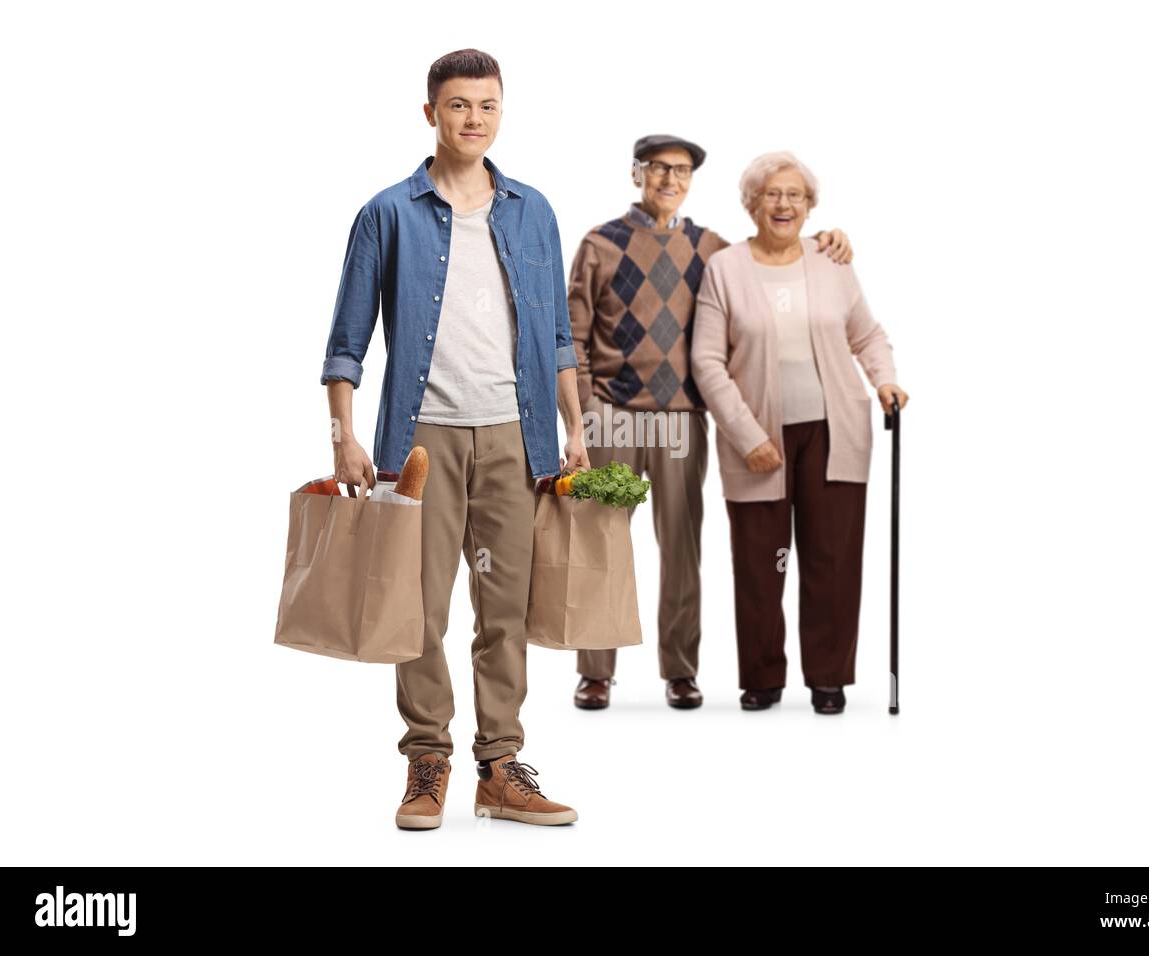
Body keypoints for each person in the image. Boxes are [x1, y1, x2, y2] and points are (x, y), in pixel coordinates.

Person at [321, 49, 587, 828]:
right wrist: (343, 433)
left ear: (501, 112)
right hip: (421, 438)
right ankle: (427, 760)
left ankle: (500, 768)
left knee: (505, 608)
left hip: (516, 432)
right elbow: (346, 339)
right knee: (421, 607)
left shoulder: (532, 209)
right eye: (459, 105)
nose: (474, 118)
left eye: (488, 105)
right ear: (430, 112)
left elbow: (558, 334)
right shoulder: (387, 212)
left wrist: (576, 427)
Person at [567, 134, 854, 711]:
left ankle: (679, 669)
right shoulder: (600, 243)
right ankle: (595, 671)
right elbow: (571, 337)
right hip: (612, 417)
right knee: (601, 545)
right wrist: (579, 419)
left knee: (682, 549)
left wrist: (827, 240)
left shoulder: (711, 249)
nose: (670, 180)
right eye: (658, 169)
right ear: (636, 174)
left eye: (681, 171)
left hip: (681, 419)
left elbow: (772, 251)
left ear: (691, 181)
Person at [689, 151, 911, 715]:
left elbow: (867, 336)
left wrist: (885, 381)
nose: (783, 204)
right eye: (772, 194)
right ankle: (762, 678)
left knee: (831, 561)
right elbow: (707, 362)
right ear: (752, 204)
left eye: (795, 195)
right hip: (758, 436)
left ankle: (829, 677)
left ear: (810, 206)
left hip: (835, 433)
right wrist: (748, 436)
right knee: (762, 563)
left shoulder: (831, 260)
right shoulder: (726, 268)